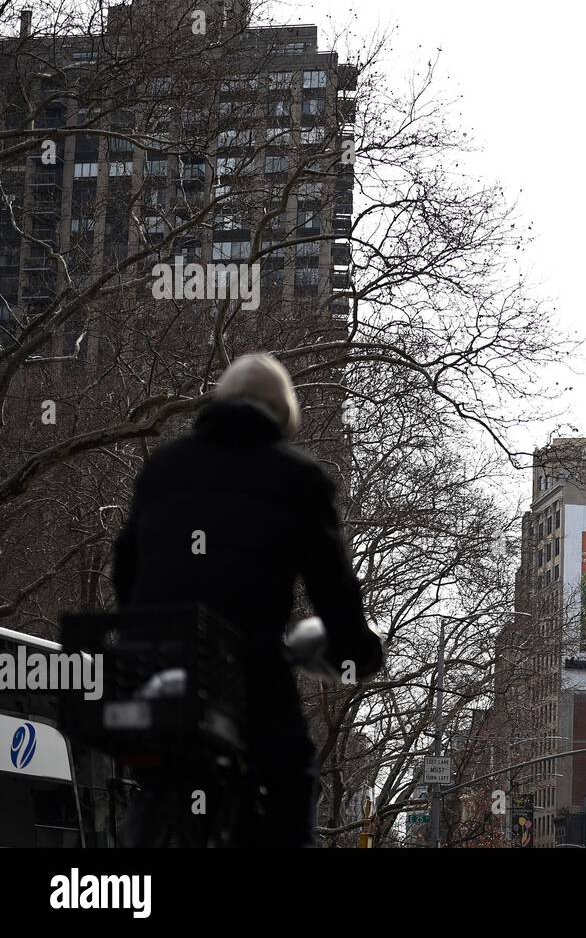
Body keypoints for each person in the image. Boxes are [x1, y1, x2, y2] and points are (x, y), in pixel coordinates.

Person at [113, 353, 384, 846]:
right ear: (282, 415)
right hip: (246, 672)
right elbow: (334, 591)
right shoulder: (297, 478)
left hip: (156, 674)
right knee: (292, 777)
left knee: (154, 778)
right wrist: (357, 652)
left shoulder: (163, 468)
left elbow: (124, 571)